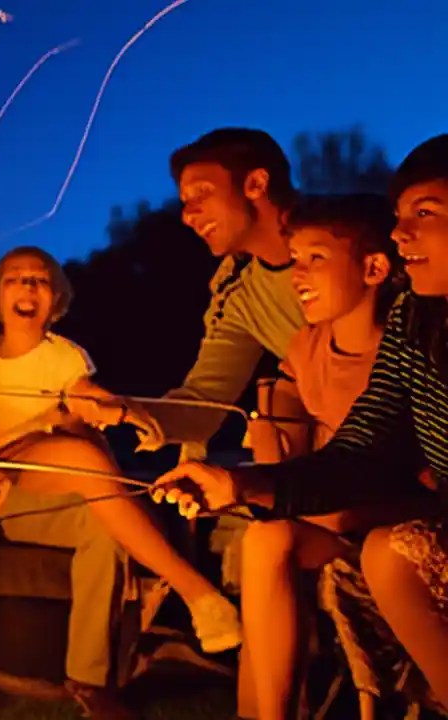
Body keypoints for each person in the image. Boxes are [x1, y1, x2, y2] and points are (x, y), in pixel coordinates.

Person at [155, 134, 448, 712]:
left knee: (389, 550)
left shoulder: (391, 319)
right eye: (399, 217)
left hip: (404, 513)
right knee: (303, 542)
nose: (401, 232)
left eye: (425, 214)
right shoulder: (418, 324)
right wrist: (241, 483)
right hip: (376, 524)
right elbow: (361, 447)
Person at [0, 246, 239, 718]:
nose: (28, 287)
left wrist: (121, 409)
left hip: (55, 486)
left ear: (54, 298)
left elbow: (86, 396)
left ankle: (88, 682)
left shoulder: (66, 356)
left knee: (103, 525)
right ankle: (194, 589)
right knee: (81, 454)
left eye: (40, 280)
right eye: (15, 279)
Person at [237, 194, 416, 719]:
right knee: (266, 537)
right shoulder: (306, 348)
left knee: (304, 514)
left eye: (315, 257)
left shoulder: (407, 348)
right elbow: (284, 429)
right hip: (333, 522)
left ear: (374, 268)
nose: (297, 273)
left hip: (401, 519)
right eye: (294, 258)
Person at [151, 128, 305, 462]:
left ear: (256, 184)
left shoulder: (352, 238)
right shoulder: (237, 291)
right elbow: (207, 396)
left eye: (201, 194)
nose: (188, 216)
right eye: (184, 203)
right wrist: (129, 412)